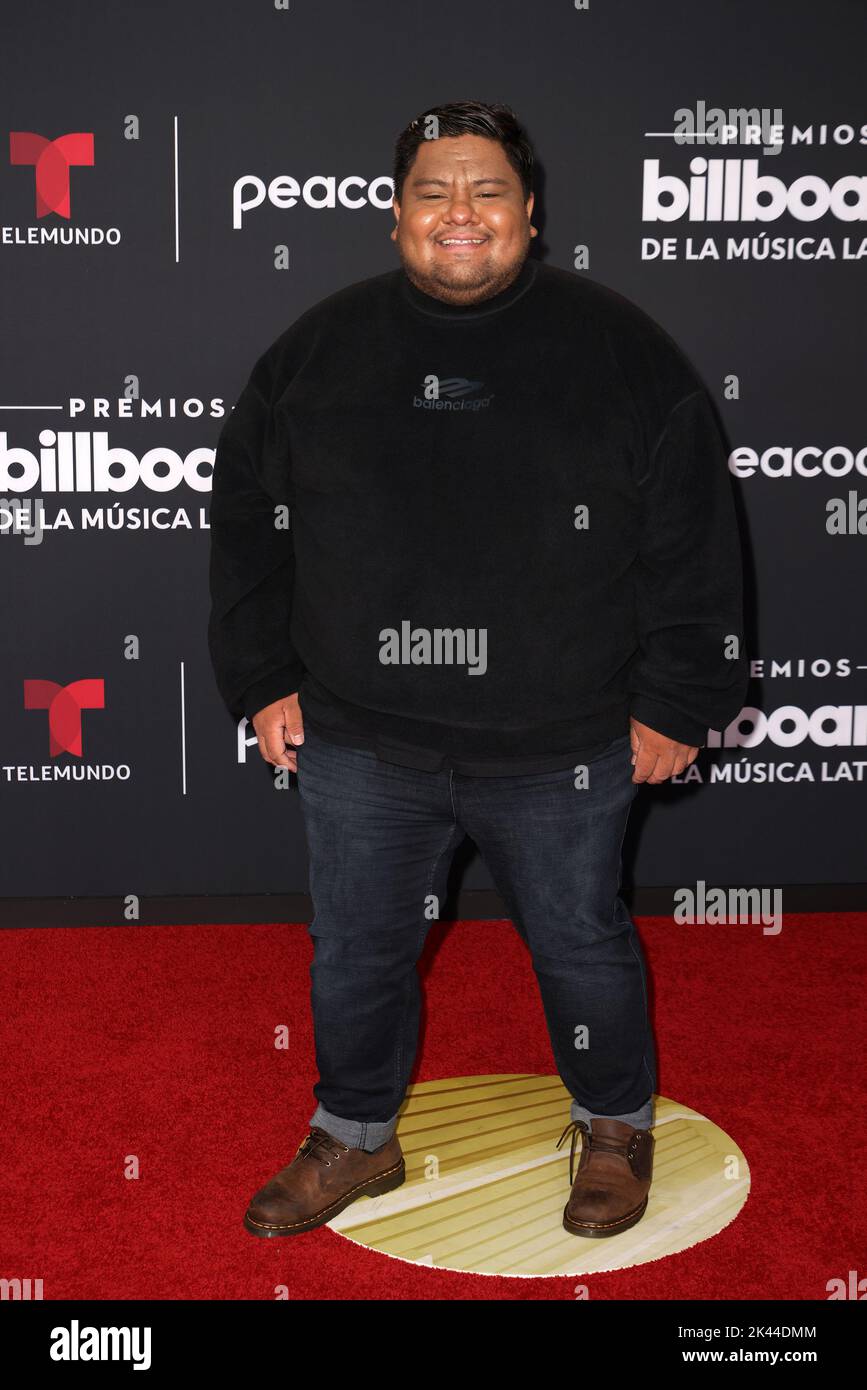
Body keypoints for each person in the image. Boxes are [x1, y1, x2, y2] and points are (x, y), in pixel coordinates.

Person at [207, 99, 749, 1241]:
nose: (462, 214)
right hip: (362, 734)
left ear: (530, 213)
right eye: (435, 191)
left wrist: (680, 699)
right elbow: (247, 522)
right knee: (355, 951)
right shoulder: (317, 348)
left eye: (487, 190)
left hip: (563, 738)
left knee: (580, 941)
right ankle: (355, 1137)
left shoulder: (622, 348)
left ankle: (613, 1123)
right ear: (398, 214)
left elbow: (692, 537)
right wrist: (261, 677)